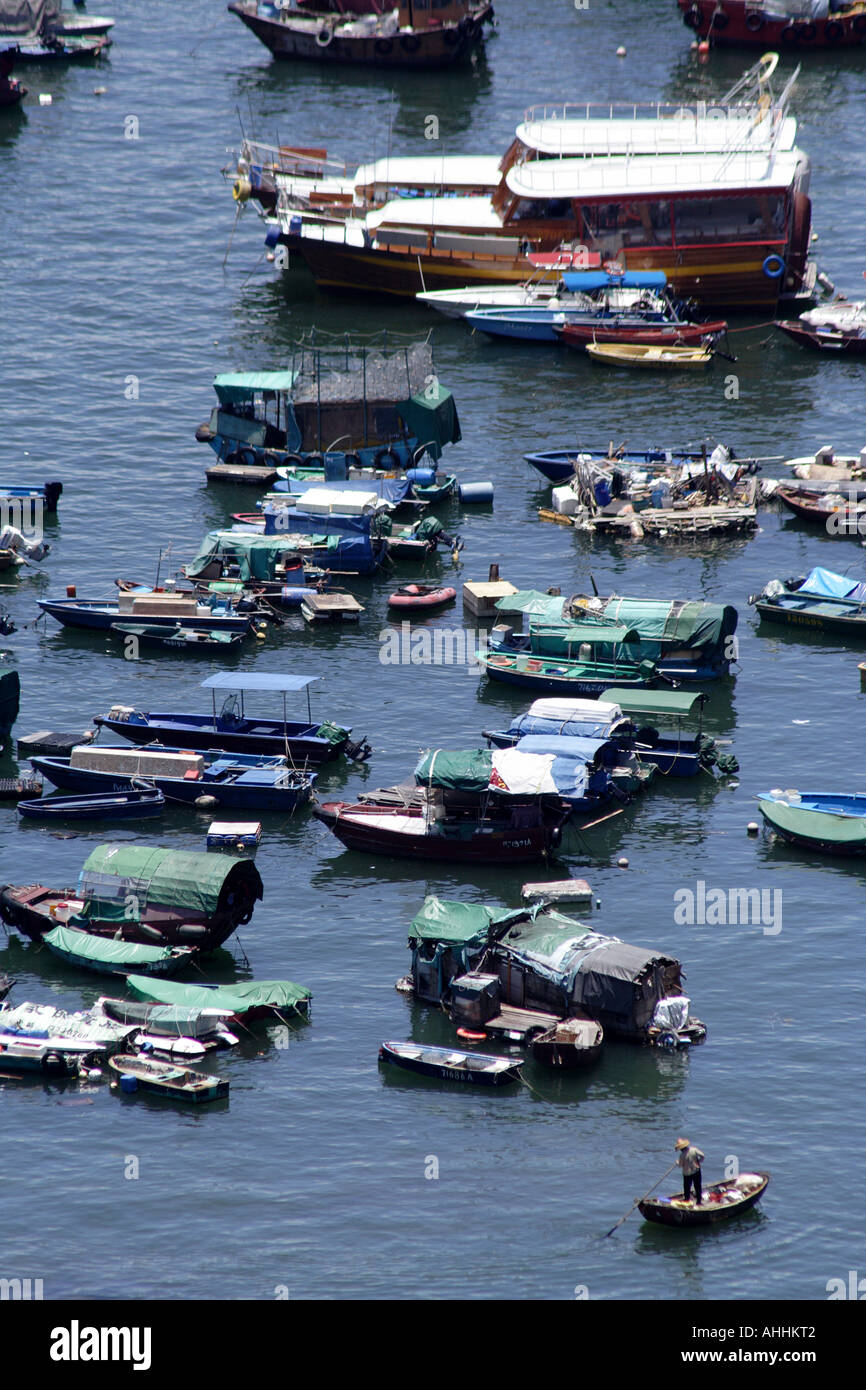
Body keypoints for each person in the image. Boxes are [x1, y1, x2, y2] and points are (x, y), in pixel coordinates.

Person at [675, 1137, 705, 1205]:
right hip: (696, 1170)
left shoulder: (682, 1155)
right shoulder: (694, 1150)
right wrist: (699, 1162)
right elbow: (702, 1156)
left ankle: (687, 1201)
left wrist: (677, 1162)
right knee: (697, 1186)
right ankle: (699, 1201)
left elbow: (680, 1165)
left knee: (687, 1188)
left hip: (687, 1173)